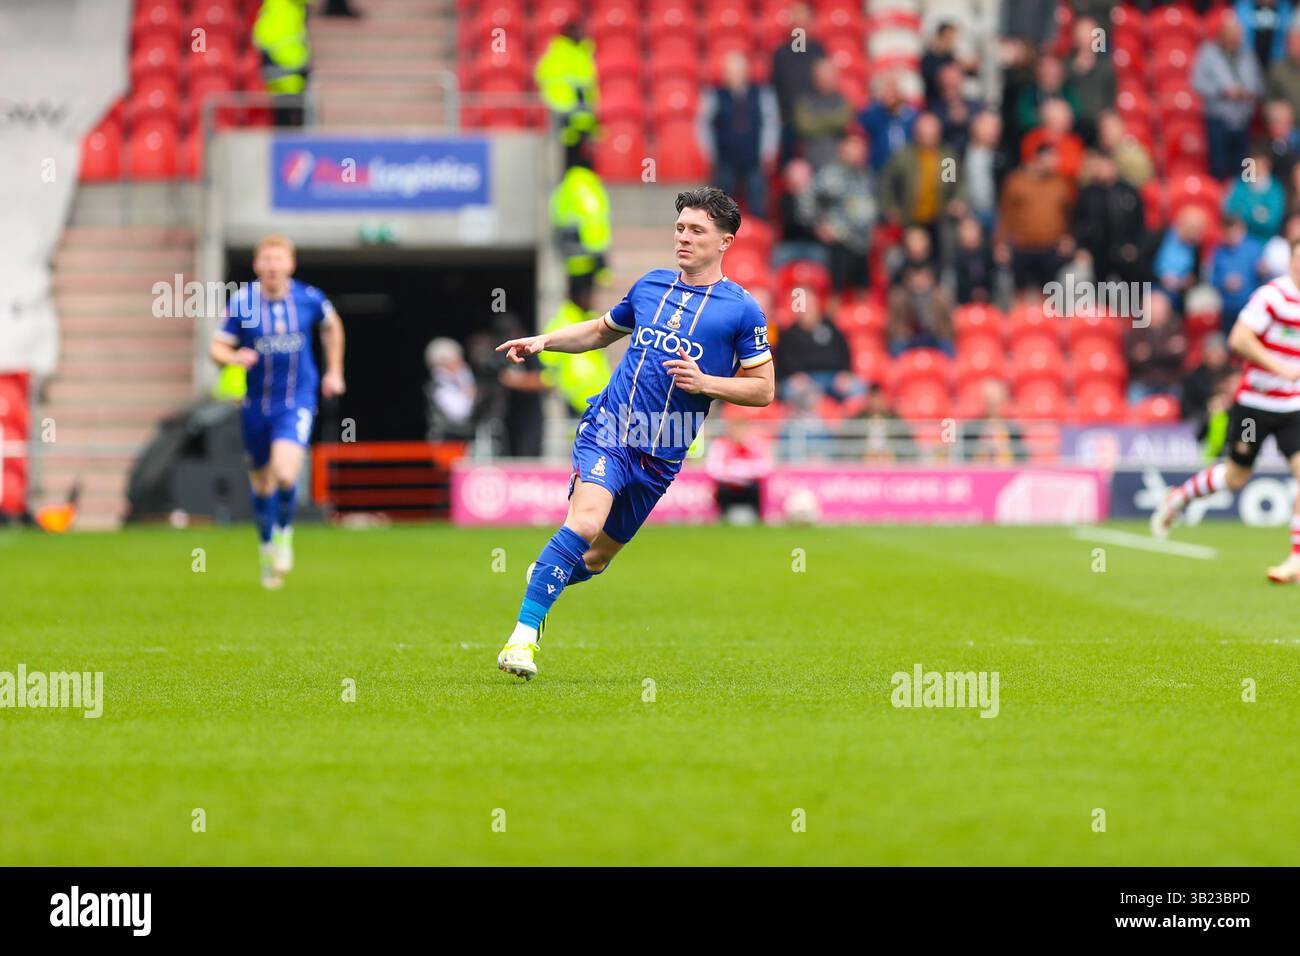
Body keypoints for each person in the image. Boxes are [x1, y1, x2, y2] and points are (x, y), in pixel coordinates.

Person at [492, 188, 775, 680]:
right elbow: (601, 331)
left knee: (597, 559)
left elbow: (764, 390)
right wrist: (545, 341)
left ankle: (546, 574)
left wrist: (707, 383)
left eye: (696, 231)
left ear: (725, 241)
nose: (683, 238)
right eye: (680, 228)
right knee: (583, 525)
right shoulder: (650, 286)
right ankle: (522, 639)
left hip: (663, 452)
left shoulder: (741, 310)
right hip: (611, 428)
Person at [1152, 236, 1300, 584]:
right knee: (1236, 477)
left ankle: (1295, 559)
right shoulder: (1272, 297)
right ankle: (1180, 497)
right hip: (1254, 406)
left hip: (1293, 407)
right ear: (1292, 259)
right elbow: (1239, 339)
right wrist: (1281, 368)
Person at [209, 235, 345, 589]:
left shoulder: (308, 297)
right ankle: (267, 544)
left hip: (296, 400)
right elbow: (217, 347)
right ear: (257, 265)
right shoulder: (243, 302)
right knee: (262, 482)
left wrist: (334, 371)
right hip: (256, 404)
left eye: (278, 259)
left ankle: (284, 533)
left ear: (290, 264)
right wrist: (233, 358)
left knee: (286, 474)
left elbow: (332, 326)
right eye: (266, 260)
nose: (272, 266)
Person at [697, 52, 780, 220]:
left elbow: (771, 124)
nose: (733, 75)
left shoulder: (762, 94)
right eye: (730, 71)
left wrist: (768, 151)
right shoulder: (714, 94)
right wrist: (710, 153)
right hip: (725, 159)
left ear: (746, 72)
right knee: (720, 210)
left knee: (758, 205)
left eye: (738, 71)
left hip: (754, 159)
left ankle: (756, 239)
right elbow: (703, 125)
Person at [1193, 10, 1264, 180]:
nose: (1234, 39)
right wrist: (1222, 91)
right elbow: (1197, 83)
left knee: (1244, 166)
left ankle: (1243, 199)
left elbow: (1259, 84)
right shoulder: (1208, 53)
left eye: (1238, 35)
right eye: (1231, 34)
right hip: (1218, 118)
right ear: (1222, 34)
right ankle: (1217, 198)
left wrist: (1248, 92)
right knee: (1218, 165)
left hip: (1243, 119)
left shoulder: (1248, 54)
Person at [996, 143, 1076, 292]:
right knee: (1020, 294)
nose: (1055, 162)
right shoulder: (1016, 181)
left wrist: (1067, 237)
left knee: (1049, 297)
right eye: (1051, 157)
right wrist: (1001, 244)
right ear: (1038, 158)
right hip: (1022, 247)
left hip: (1051, 248)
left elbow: (1068, 215)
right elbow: (1006, 214)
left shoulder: (1060, 184)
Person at [775, 289, 865, 409]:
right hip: (806, 380)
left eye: (809, 305)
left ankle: (846, 425)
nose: (806, 310)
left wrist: (845, 372)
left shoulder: (831, 328)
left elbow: (844, 352)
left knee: (857, 388)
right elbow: (784, 363)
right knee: (792, 390)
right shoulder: (789, 335)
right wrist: (796, 376)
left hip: (833, 378)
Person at [813, 133, 876, 297]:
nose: (857, 154)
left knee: (863, 291)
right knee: (836, 291)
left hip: (863, 243)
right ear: (843, 150)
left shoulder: (867, 175)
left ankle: (862, 321)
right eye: (853, 149)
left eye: (860, 150)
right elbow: (809, 200)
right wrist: (818, 225)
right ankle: (832, 323)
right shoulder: (830, 174)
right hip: (841, 241)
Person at [1073, 151, 1147, 284]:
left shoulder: (1129, 191)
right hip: (1097, 252)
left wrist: (1134, 246)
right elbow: (1079, 223)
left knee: (1132, 289)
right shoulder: (1088, 193)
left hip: (1124, 250)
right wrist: (1082, 247)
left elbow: (1139, 223)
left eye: (1104, 165)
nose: (1100, 169)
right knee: (1098, 289)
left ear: (1114, 166)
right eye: (1097, 166)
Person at [535, 18, 599, 165]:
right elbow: (543, 75)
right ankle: (566, 182)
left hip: (583, 110)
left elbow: (590, 82)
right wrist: (555, 97)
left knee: (585, 152)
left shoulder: (585, 52)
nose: (579, 34)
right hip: (563, 109)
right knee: (565, 152)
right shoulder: (558, 51)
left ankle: (581, 182)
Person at [770, 1, 827, 163]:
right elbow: (775, 86)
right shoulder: (781, 54)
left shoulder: (818, 50)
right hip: (789, 120)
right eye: (796, 15)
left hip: (814, 120)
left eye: (803, 16)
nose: (799, 21)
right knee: (789, 166)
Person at [1125, 291, 1188, 403]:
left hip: (1169, 383)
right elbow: (1133, 357)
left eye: (1161, 309)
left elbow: (1180, 353)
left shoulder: (1175, 328)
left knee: (1181, 396)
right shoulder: (1136, 331)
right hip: (1143, 383)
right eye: (1153, 309)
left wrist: (1150, 351)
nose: (1158, 313)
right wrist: (1166, 349)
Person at [793, 56, 852, 169]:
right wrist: (833, 120)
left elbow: (845, 120)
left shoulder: (843, 100)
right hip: (811, 160)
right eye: (822, 78)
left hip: (838, 160)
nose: (827, 82)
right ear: (815, 79)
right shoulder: (804, 101)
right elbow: (805, 126)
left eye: (830, 78)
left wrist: (817, 120)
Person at [1211, 214, 1266, 327]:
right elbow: (1212, 278)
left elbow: (1264, 277)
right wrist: (1224, 282)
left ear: (1242, 230)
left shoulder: (1254, 248)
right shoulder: (1219, 251)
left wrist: (1263, 271)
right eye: (1229, 233)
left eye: (1235, 232)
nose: (1232, 236)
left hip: (1250, 307)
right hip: (1227, 308)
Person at [858, 71, 918, 173]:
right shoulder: (874, 113)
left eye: (894, 89)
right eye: (887, 89)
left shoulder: (912, 115)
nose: (891, 94)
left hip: (907, 169)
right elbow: (861, 127)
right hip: (880, 168)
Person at [1223, 145, 1285, 240]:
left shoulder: (1276, 188)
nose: (1257, 167)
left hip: (1266, 240)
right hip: (1240, 239)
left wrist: (1245, 213)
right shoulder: (1239, 184)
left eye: (1261, 163)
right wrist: (1256, 214)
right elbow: (1230, 211)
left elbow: (1273, 221)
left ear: (1268, 164)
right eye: (1254, 163)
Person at [1266, 24, 1300, 120]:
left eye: (1298, 43)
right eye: (1292, 44)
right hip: (1287, 129)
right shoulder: (1277, 70)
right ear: (1286, 45)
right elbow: (1268, 100)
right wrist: (1276, 112)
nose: (1296, 48)